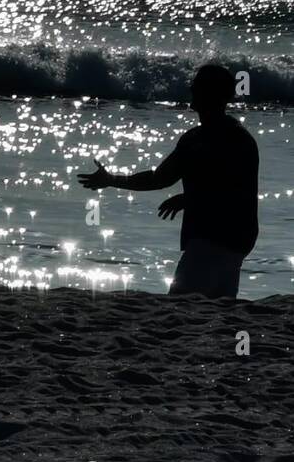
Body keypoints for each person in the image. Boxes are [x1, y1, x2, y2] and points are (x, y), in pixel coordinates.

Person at [78, 64, 258, 298]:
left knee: (182, 301)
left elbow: (235, 191)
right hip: (225, 237)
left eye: (197, 86)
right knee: (216, 307)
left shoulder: (235, 139)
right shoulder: (194, 138)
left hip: (220, 234)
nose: (191, 89)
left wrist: (190, 198)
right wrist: (111, 179)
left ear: (211, 94)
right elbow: (159, 178)